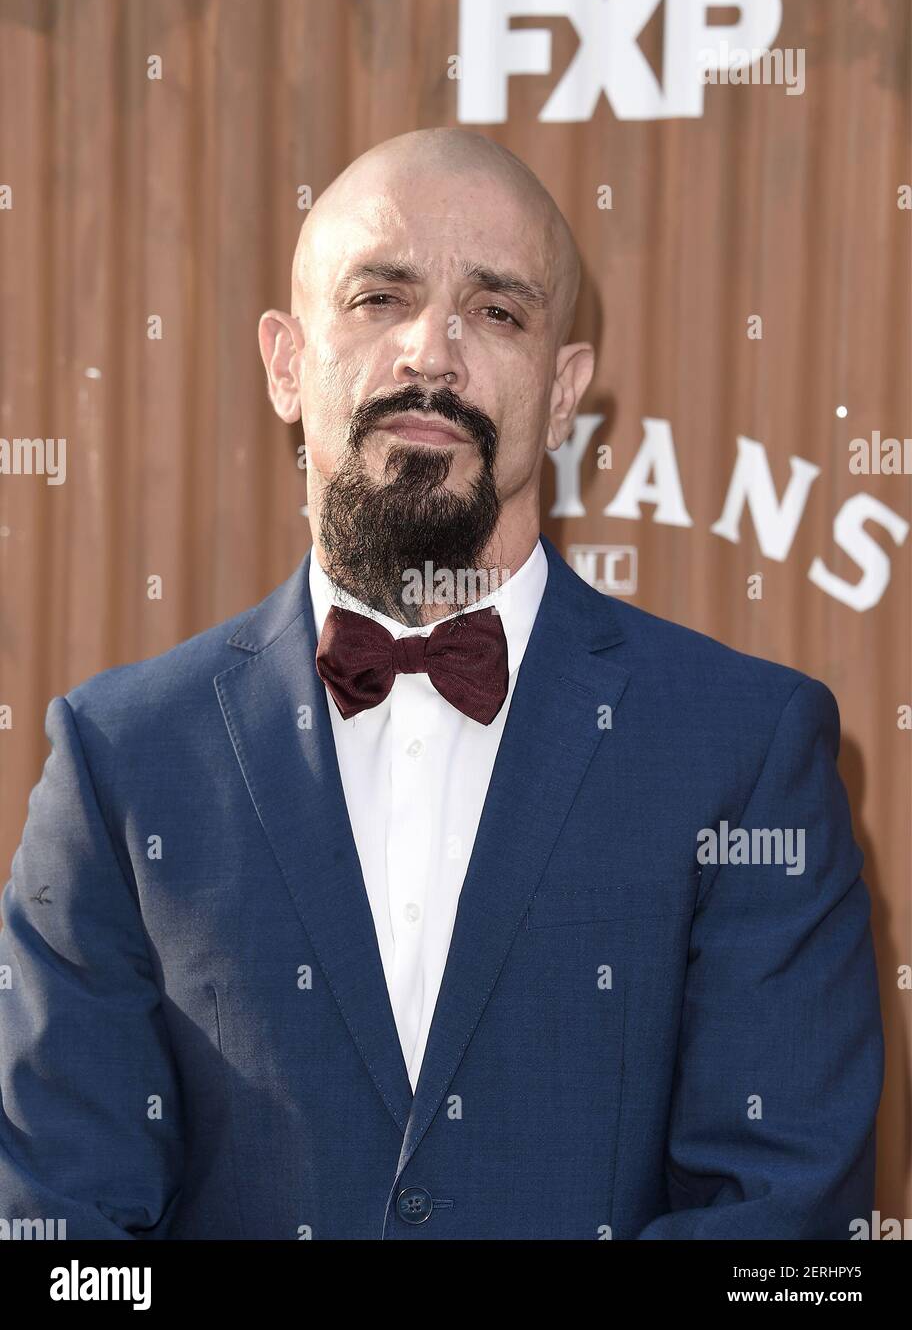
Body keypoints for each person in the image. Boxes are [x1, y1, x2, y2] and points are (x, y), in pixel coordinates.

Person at [0, 128, 883, 1240]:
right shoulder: (119, 761)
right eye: (380, 297)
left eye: (498, 311)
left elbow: (779, 1226)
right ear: (284, 361)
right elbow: (61, 1230)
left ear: (564, 396)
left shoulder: (746, 751)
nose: (434, 351)